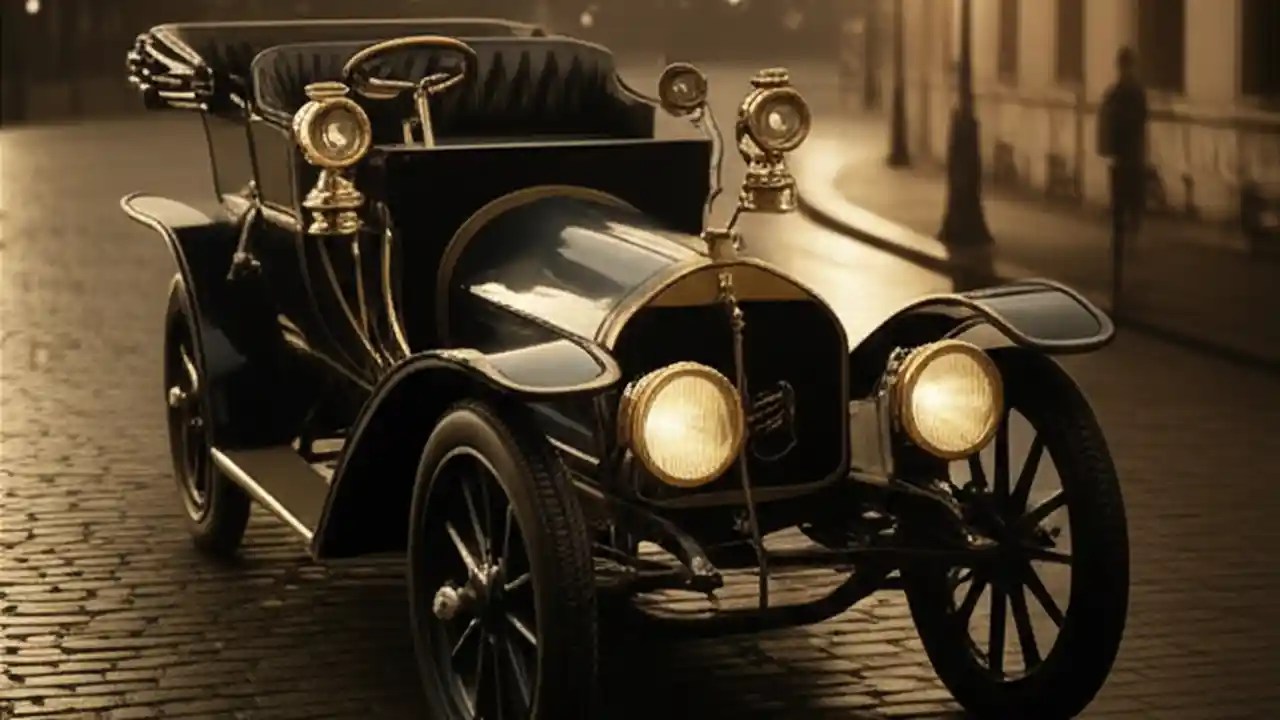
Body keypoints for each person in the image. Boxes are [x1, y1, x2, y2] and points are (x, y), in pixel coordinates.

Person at [1097, 46, 1148, 312]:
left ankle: (1126, 273)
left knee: (1130, 214)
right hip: (1125, 162)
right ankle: (1122, 277)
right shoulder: (1125, 95)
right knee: (1123, 216)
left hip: (1128, 162)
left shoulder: (1123, 95)